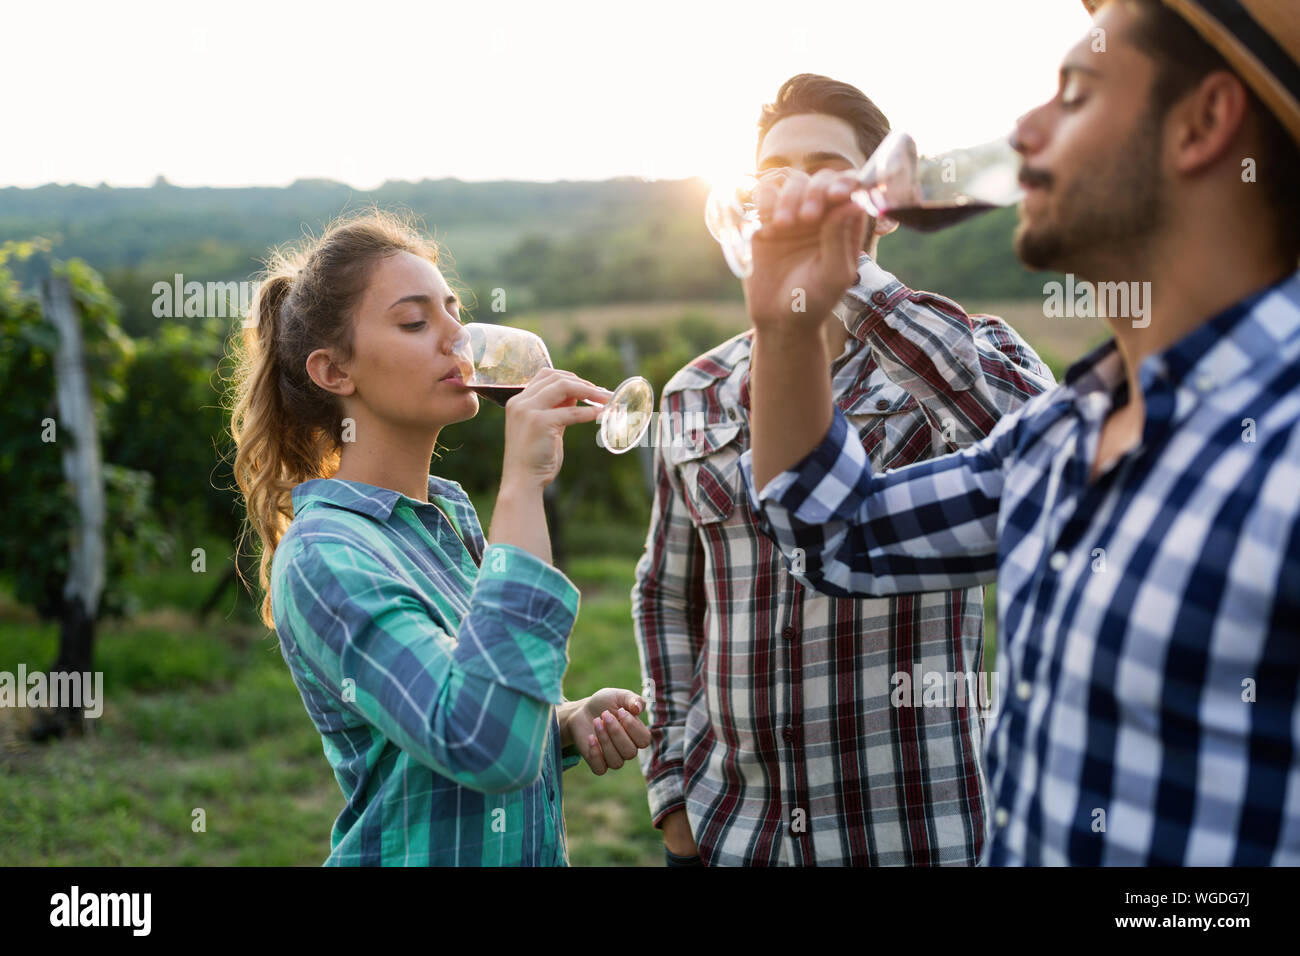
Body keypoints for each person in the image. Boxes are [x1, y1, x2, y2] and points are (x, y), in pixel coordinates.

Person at [739, 0, 1300, 865]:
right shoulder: (1062, 432)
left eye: (1072, 95)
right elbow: (834, 534)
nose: (1025, 129)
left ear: (1203, 123)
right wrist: (786, 325)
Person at [632, 74, 1056, 866]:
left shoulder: (960, 351)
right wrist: (672, 791)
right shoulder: (696, 390)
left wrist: (844, 275)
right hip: (734, 833)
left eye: (827, 168)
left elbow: (1057, 461)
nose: (794, 190)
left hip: (915, 831)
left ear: (881, 203)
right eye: (775, 173)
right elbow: (664, 595)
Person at [228, 211, 652, 866]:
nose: (456, 338)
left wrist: (565, 722)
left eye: (453, 312)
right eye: (415, 321)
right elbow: (485, 745)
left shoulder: (447, 515)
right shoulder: (325, 557)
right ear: (335, 372)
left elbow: (480, 687)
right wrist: (521, 486)